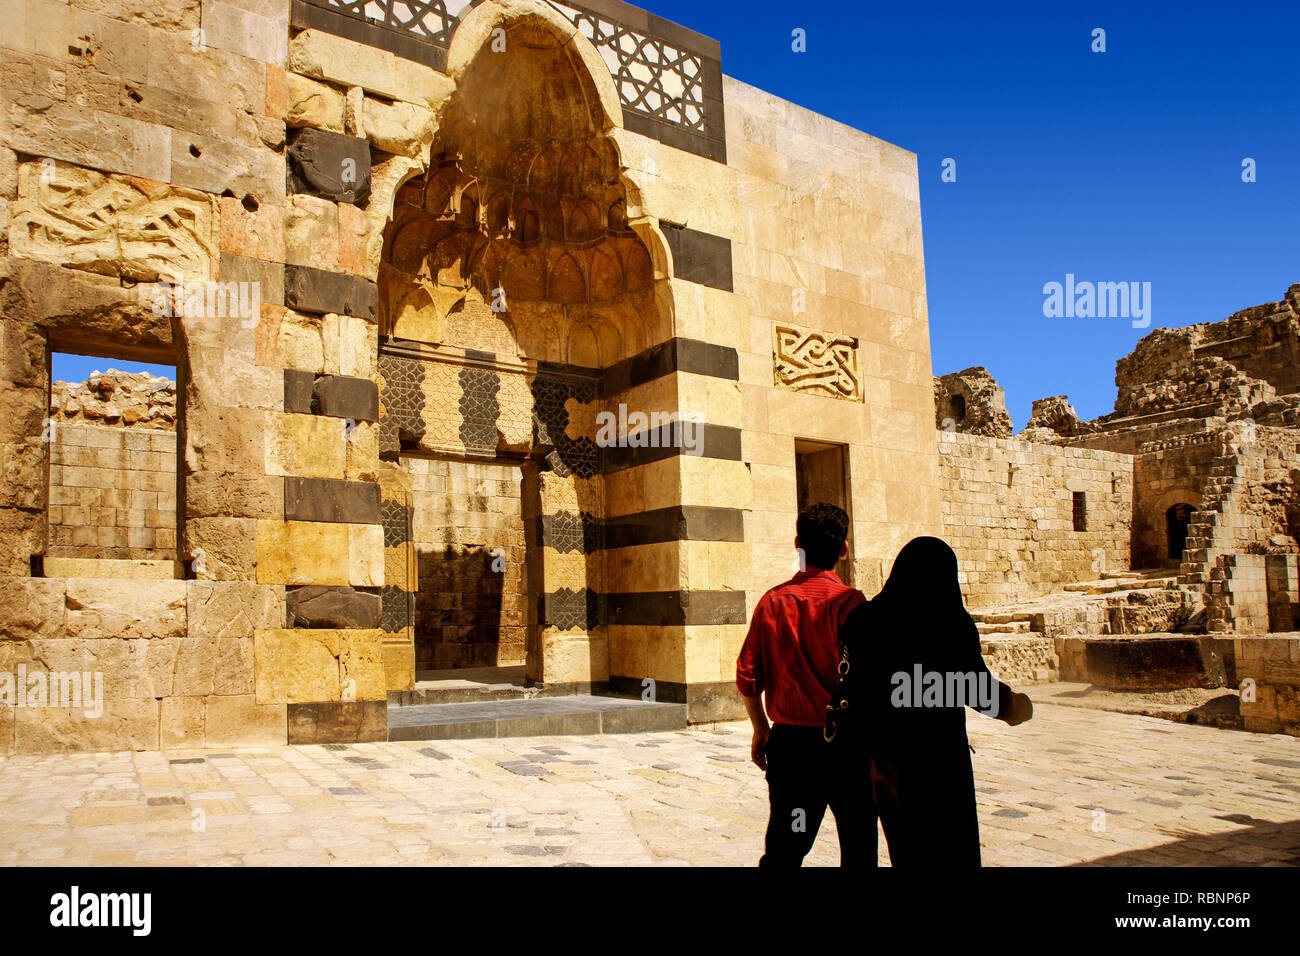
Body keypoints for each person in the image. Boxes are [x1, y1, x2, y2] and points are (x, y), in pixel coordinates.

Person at [838, 536, 1033, 867]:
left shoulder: (863, 621)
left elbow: (854, 689)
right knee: (953, 853)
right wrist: (1017, 707)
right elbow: (977, 691)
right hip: (941, 765)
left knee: (907, 852)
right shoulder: (951, 625)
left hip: (886, 765)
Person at [735, 503, 874, 866]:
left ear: (798, 543)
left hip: (793, 748)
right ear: (844, 548)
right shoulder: (851, 604)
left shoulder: (772, 602)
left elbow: (748, 676)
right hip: (847, 747)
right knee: (859, 845)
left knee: (786, 847)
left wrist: (760, 729)